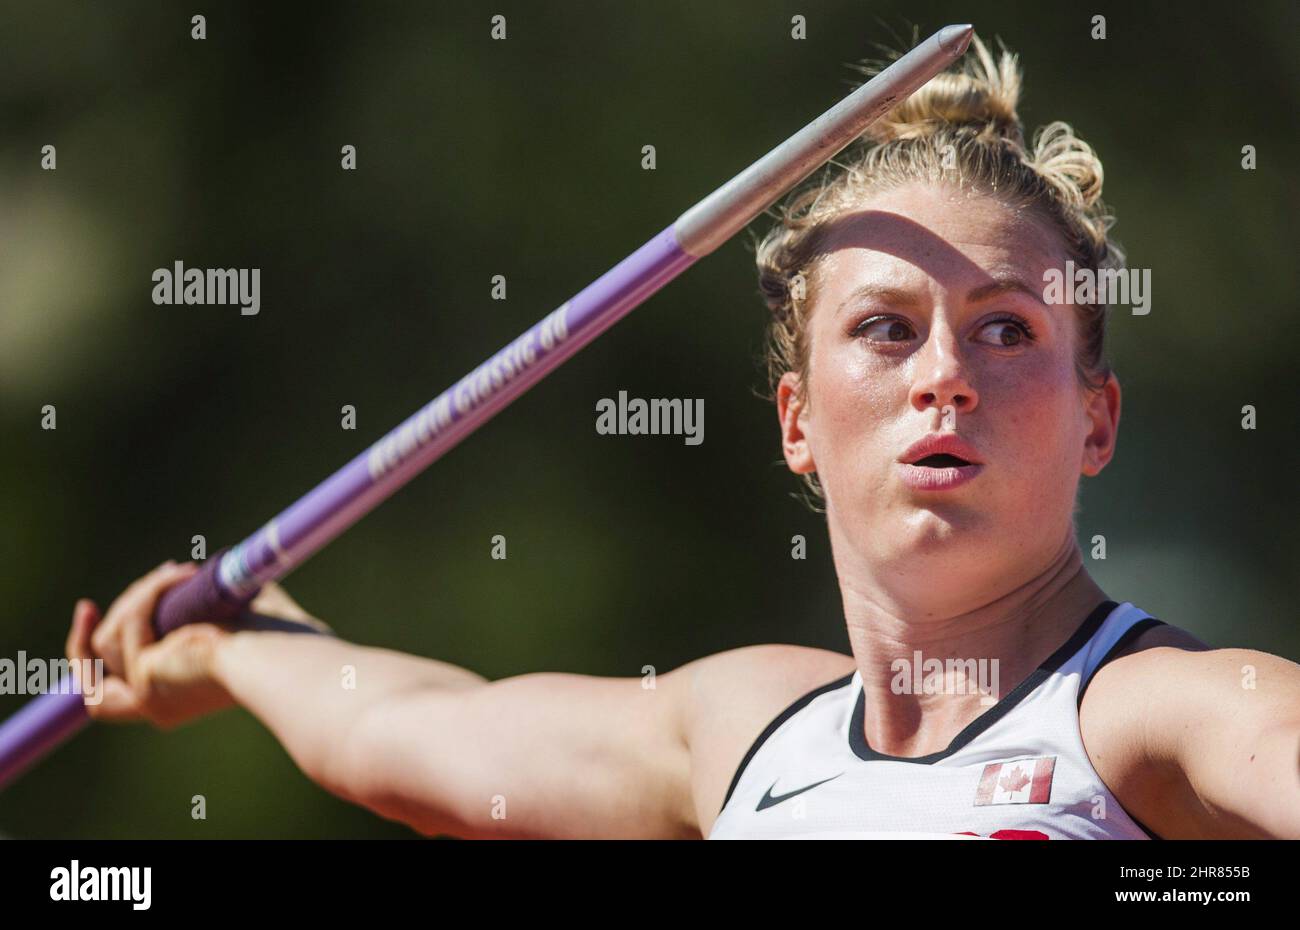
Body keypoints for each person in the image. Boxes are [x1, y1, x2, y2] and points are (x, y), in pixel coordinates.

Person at [66, 37, 1300, 839]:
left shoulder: (1159, 720)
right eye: (883, 329)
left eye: (1006, 332)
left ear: (1097, 419)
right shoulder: (743, 734)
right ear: (796, 424)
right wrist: (239, 648)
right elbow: (412, 733)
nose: (943, 378)